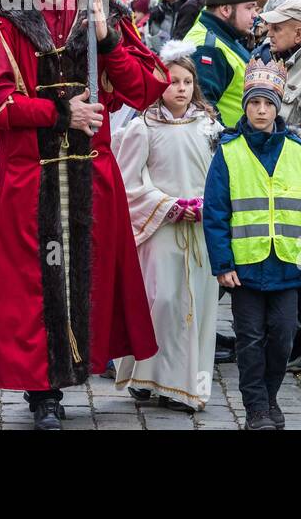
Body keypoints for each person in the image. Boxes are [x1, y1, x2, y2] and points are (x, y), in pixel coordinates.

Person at [0, 0, 169, 430]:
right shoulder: (3, 20)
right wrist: (60, 112)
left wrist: (107, 40)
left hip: (92, 174)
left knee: (90, 279)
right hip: (30, 177)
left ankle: (81, 367)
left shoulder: (102, 11)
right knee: (35, 286)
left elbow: (149, 89)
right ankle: (42, 390)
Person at [203, 57, 301, 429]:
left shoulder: (300, 151)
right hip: (247, 266)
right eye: (254, 103)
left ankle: (270, 397)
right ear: (245, 106)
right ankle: (256, 406)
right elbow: (215, 212)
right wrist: (222, 264)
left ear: (277, 106)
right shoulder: (229, 151)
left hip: (288, 265)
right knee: (251, 340)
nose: (260, 110)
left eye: (268, 103)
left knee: (284, 337)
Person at [114, 41, 222, 413]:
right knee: (161, 301)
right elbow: (128, 182)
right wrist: (168, 205)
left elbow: (220, 177)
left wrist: (208, 206)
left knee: (196, 307)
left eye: (187, 82)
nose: (180, 88)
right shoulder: (143, 127)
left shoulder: (209, 127)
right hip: (160, 227)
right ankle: (146, 375)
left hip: (201, 229)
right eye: (173, 81)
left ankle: (184, 388)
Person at [183, 0, 259, 129]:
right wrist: (227, 141)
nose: (255, 15)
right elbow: (203, 108)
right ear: (225, 9)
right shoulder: (208, 48)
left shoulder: (222, 34)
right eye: (249, 8)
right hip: (229, 146)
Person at [251, 0, 301, 139]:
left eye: (277, 28)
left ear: (298, 34)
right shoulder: (276, 54)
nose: (269, 33)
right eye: (269, 27)